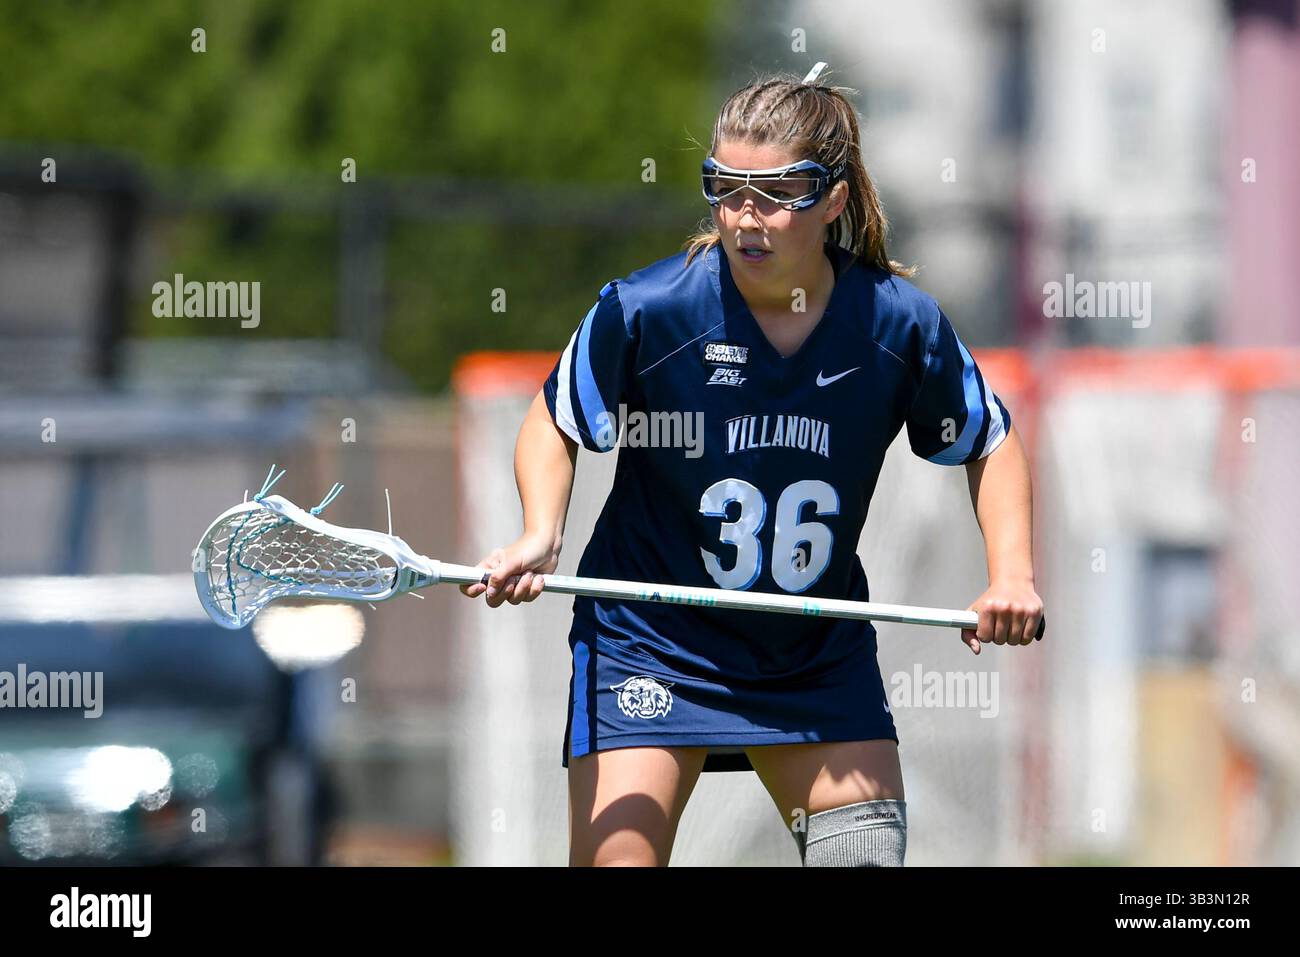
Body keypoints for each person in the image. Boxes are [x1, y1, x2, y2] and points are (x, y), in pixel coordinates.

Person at [459, 62, 1044, 867]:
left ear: (834, 199)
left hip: (812, 651)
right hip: (652, 643)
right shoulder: (650, 310)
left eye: (777, 193)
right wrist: (539, 532)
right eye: (726, 188)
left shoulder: (896, 325)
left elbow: (989, 442)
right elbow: (553, 421)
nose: (745, 216)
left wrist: (1011, 573)